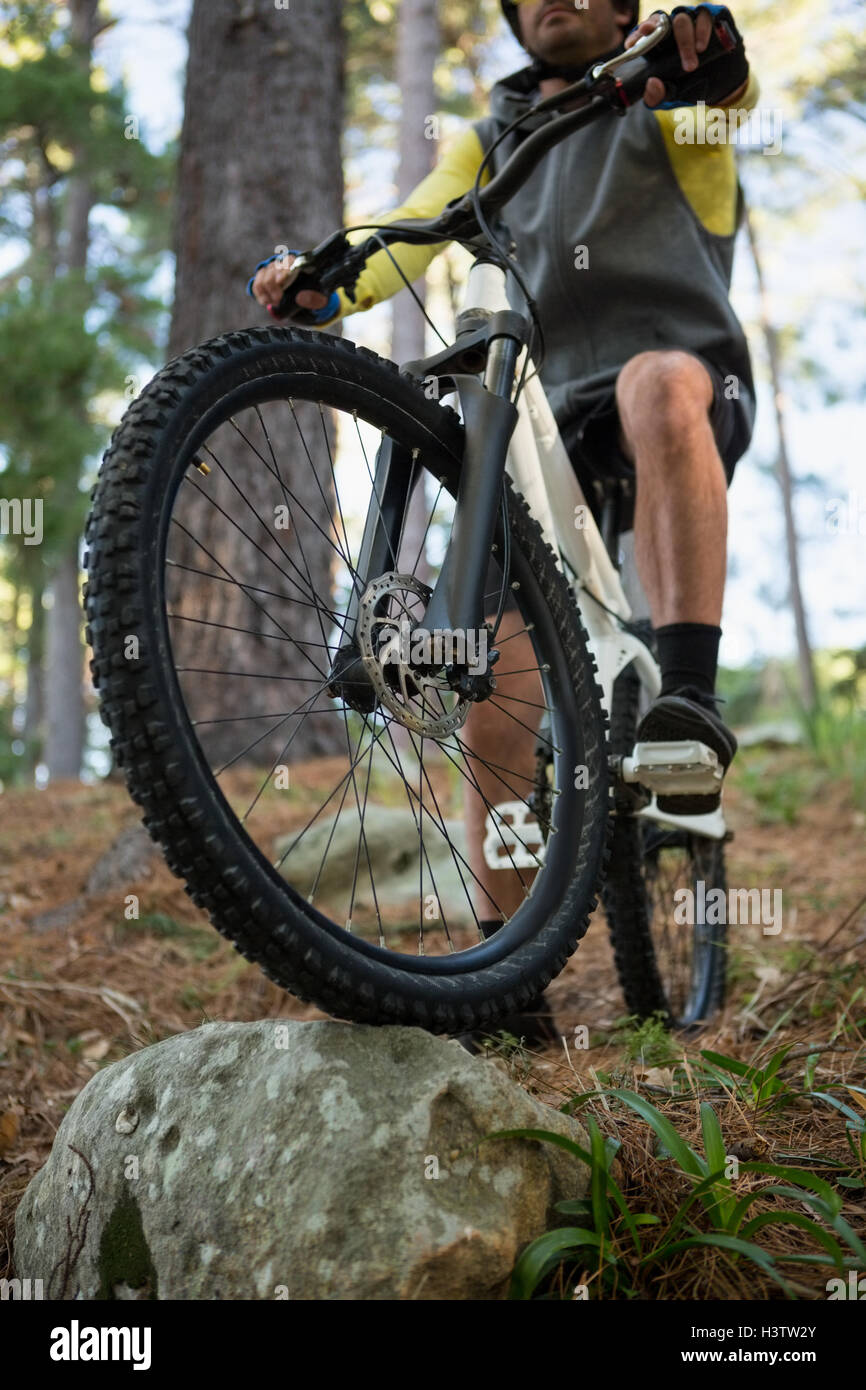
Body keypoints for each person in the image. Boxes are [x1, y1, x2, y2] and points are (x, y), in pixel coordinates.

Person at [250, 2, 757, 1046]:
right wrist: (324, 282)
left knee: (657, 385)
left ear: (623, 9)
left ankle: (690, 700)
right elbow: (406, 232)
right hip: (547, 422)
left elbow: (724, 106)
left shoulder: (663, 96)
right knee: (493, 687)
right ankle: (506, 973)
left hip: (679, 382)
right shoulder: (488, 140)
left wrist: (708, 62)